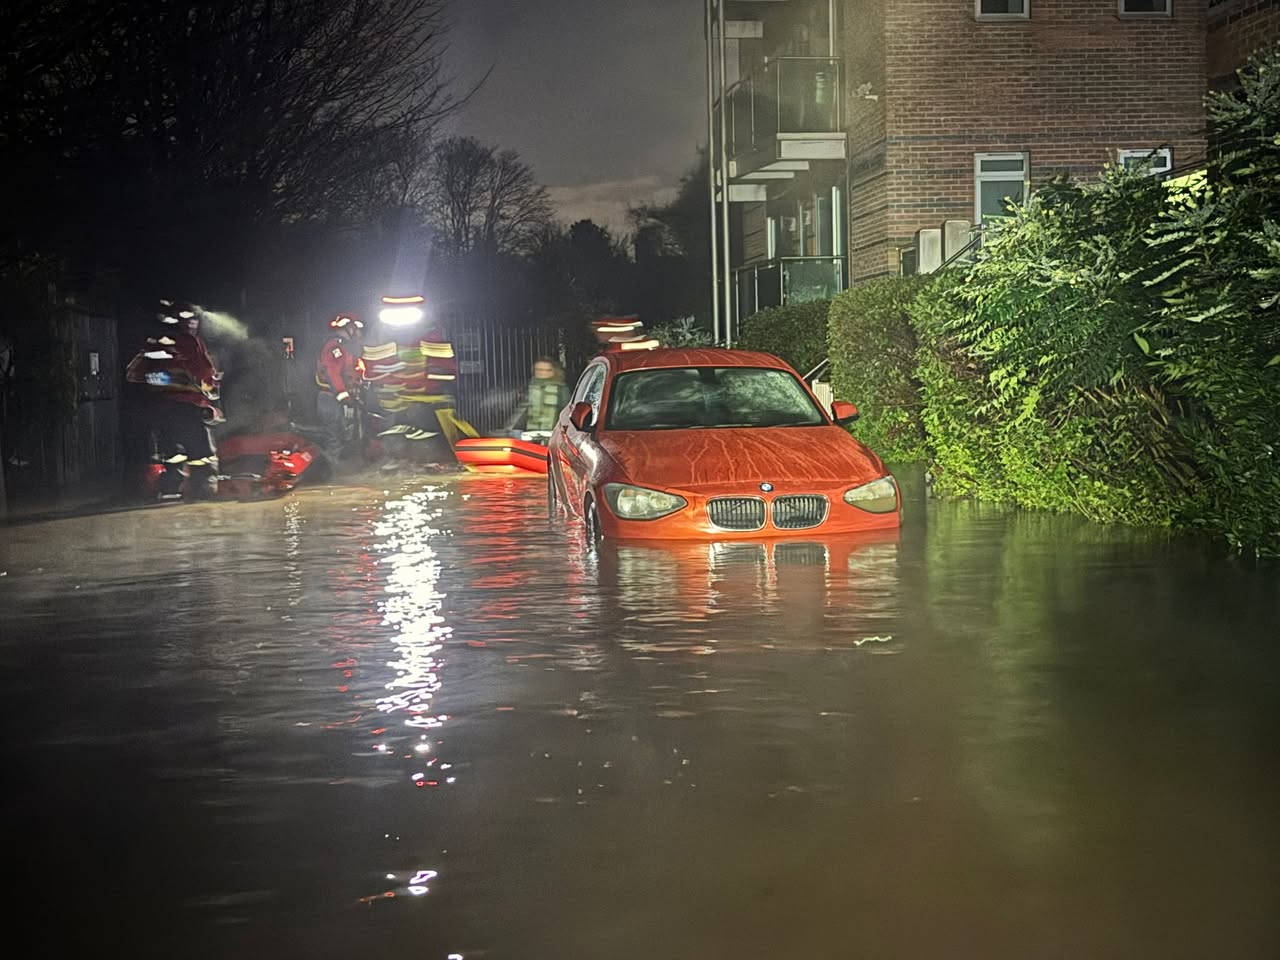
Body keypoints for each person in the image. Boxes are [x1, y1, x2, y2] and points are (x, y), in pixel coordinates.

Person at [124, 300, 222, 499]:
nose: (193, 324)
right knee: (201, 455)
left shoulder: (155, 342)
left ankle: (171, 488)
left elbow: (133, 374)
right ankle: (202, 492)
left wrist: (164, 380)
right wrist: (211, 388)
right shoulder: (190, 342)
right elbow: (205, 373)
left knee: (173, 455)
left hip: (162, 411)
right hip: (190, 409)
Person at [314, 313, 364, 458]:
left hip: (336, 398)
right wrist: (343, 396)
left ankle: (341, 470)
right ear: (349, 328)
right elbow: (332, 373)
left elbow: (349, 372)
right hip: (330, 398)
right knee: (334, 438)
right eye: (356, 328)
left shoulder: (343, 348)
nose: (358, 333)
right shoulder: (334, 347)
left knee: (344, 435)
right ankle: (331, 473)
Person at [510, 357, 570, 440]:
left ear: (554, 371)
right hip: (528, 434)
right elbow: (521, 411)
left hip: (552, 434)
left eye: (547, 370)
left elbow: (565, 411)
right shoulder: (527, 388)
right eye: (539, 369)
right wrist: (517, 429)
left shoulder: (561, 390)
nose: (542, 373)